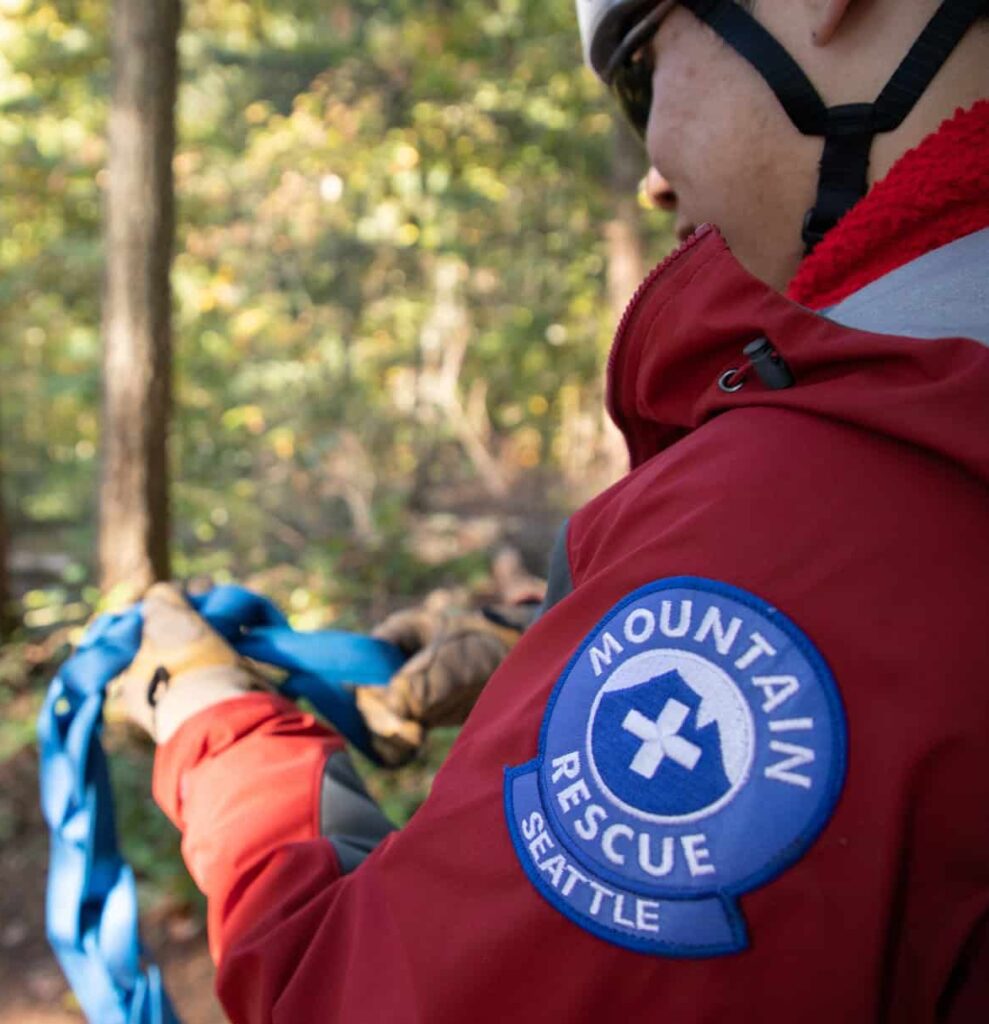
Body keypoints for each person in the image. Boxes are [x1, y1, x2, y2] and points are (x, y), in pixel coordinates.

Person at [114, 1, 989, 1019]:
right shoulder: (918, 434)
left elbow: (355, 999)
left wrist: (214, 724)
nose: (652, 172)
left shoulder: (824, 500)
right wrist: (545, 652)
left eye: (635, 68)